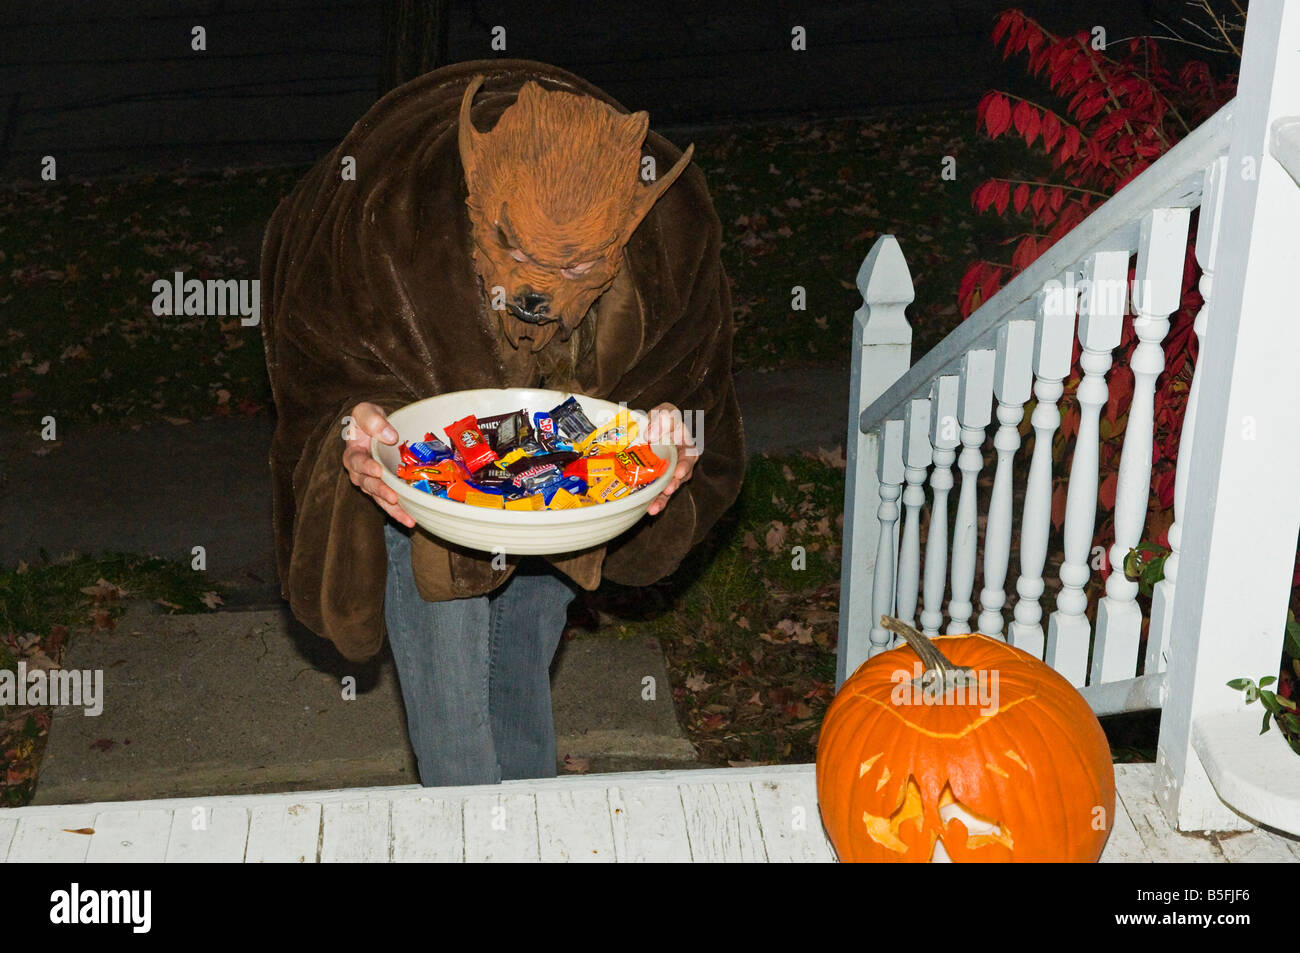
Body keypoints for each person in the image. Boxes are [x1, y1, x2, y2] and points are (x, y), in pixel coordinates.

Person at [260, 60, 744, 787]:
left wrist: (668, 431)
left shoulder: (670, 242)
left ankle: (528, 810)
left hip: (562, 472)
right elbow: (319, 356)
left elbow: (694, 388)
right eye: (513, 252)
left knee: (522, 652)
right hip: (426, 480)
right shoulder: (385, 222)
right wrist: (353, 429)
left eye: (578, 269)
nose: (535, 295)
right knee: (455, 726)